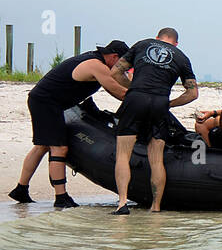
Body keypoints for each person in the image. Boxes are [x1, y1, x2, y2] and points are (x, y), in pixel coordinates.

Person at [10, 40, 131, 207]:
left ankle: (20, 189)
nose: (122, 69)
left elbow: (123, 83)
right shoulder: (97, 66)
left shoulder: (99, 61)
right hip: (47, 102)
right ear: (114, 57)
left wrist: (138, 85)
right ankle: (61, 197)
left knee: (42, 146)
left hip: (44, 100)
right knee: (59, 148)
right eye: (123, 65)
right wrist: (143, 100)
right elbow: (117, 91)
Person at [110, 28, 199, 214]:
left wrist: (133, 88)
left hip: (135, 99)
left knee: (123, 155)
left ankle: (122, 204)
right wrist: (170, 104)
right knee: (157, 160)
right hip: (160, 103)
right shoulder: (182, 57)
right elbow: (193, 93)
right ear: (175, 43)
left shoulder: (143, 44)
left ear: (157, 37)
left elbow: (115, 72)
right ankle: (155, 206)